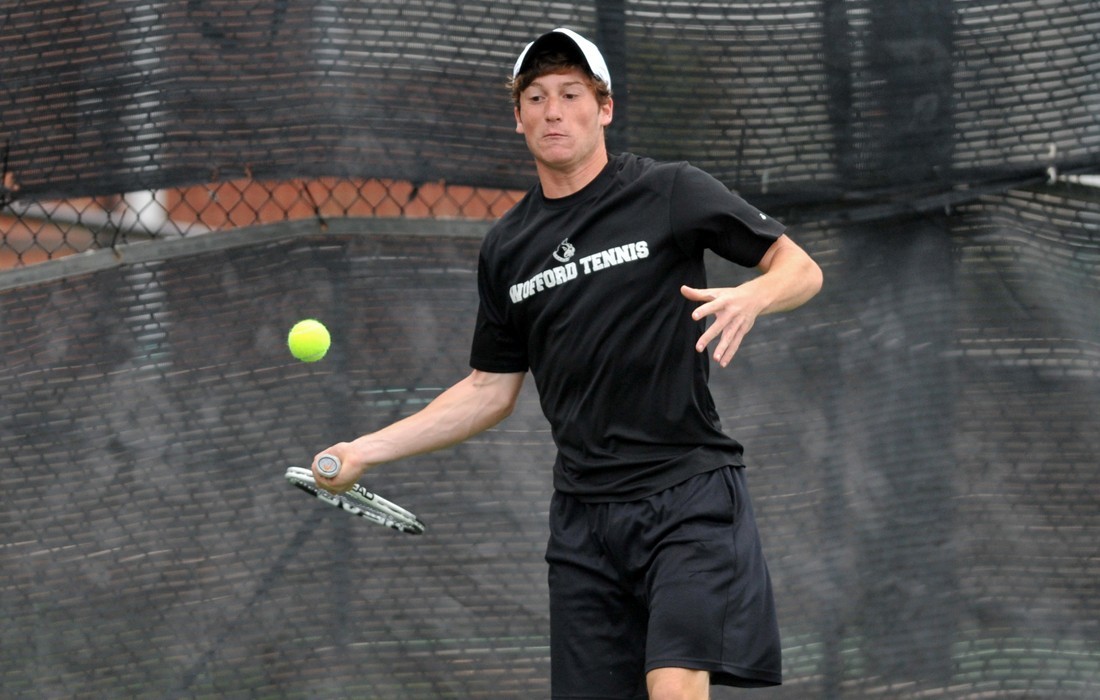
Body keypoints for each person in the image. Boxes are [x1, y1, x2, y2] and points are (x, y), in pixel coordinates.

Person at [314, 27, 822, 700]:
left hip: (688, 497)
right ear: (518, 117)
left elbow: (801, 267)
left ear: (603, 108)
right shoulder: (507, 249)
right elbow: (487, 391)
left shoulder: (670, 191)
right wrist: (362, 451)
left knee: (673, 686)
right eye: (536, 96)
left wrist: (754, 295)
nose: (554, 110)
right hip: (585, 523)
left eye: (571, 93)